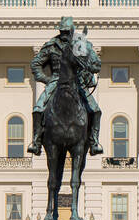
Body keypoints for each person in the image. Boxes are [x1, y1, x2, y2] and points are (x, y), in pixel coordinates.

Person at [27, 18, 103, 155]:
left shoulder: (80, 44)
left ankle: (94, 141)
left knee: (95, 110)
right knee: (38, 108)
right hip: (56, 80)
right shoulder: (51, 46)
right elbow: (36, 64)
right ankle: (36, 141)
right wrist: (47, 79)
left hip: (77, 81)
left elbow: (91, 62)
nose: (64, 35)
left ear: (72, 32)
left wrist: (88, 74)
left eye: (67, 32)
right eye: (62, 31)